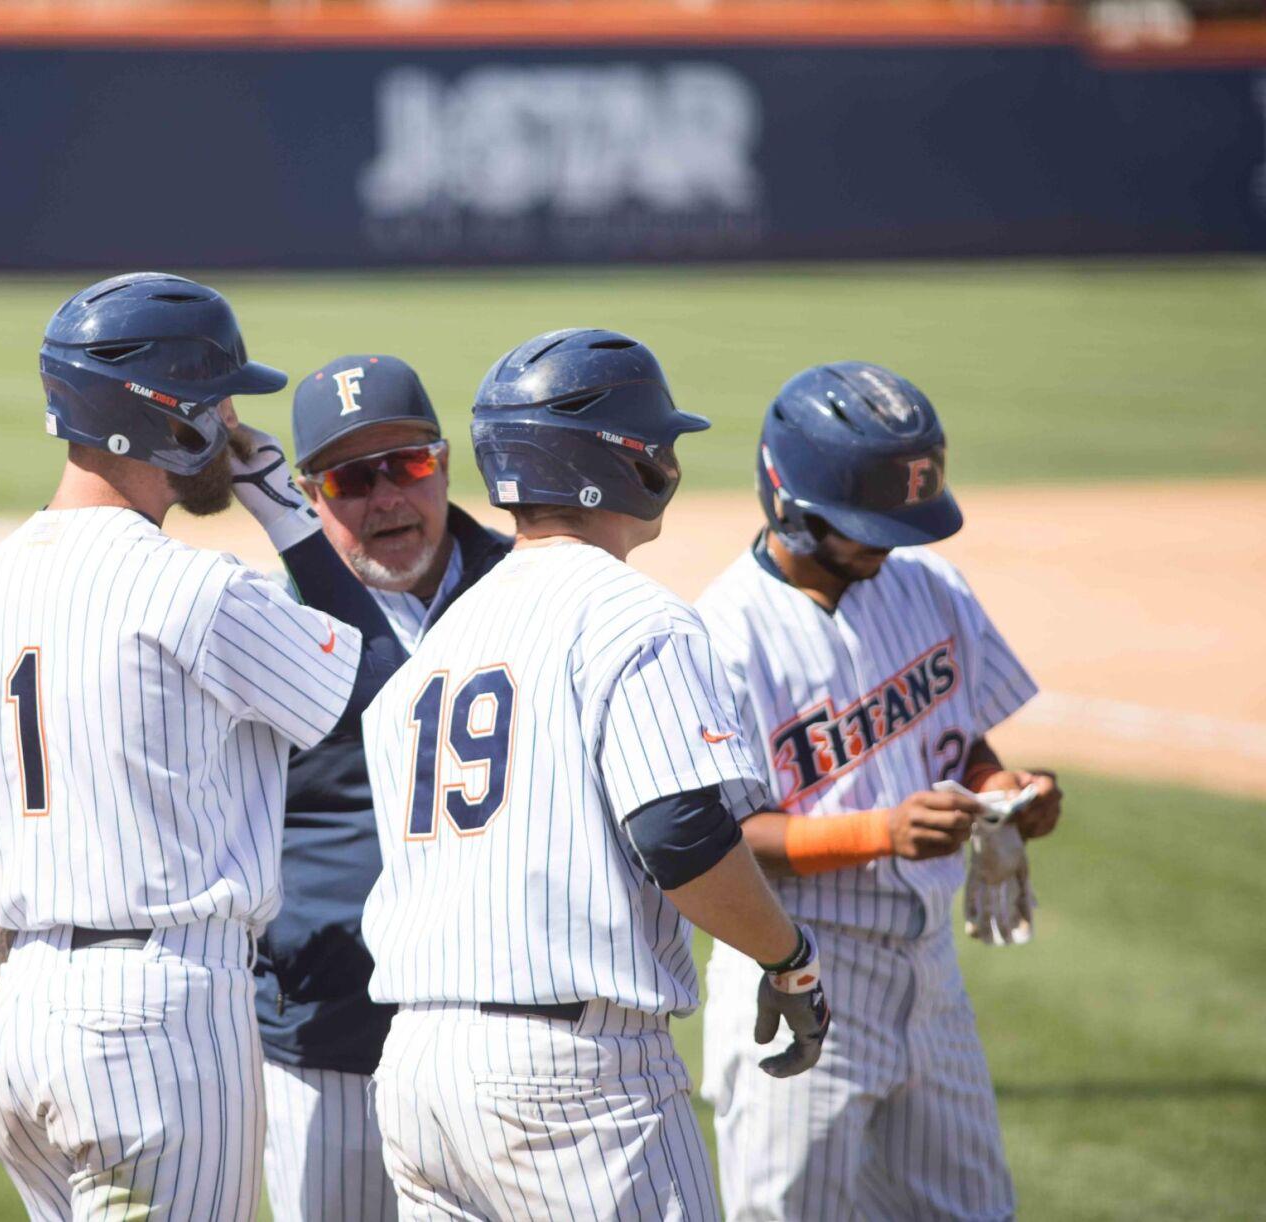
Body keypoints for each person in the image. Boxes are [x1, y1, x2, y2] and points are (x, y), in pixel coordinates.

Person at [0, 273, 402, 1221]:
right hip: (156, 1023)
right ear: (164, 417)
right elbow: (380, 688)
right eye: (217, 402)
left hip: (18, 1023)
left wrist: (6, 948)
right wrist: (285, 510)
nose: (232, 423)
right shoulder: (193, 592)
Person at [359, 328, 831, 1220]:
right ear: (620, 459)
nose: (669, 458)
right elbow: (681, 835)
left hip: (419, 1070)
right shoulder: (636, 618)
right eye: (657, 440)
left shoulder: (440, 641)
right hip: (572, 1084)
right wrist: (788, 959)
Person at [695, 361, 1063, 1222]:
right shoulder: (719, 636)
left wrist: (1003, 786)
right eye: (867, 525)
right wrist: (883, 833)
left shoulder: (931, 588)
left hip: (932, 973)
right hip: (800, 974)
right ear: (787, 497)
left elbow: (961, 735)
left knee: (971, 1213)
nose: (888, 542)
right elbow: (726, 836)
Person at [252, 354, 511, 1222]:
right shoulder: (263, 625)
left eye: (408, 464)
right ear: (306, 493)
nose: (387, 498)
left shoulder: (531, 592)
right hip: (330, 1041)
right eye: (351, 478)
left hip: (509, 1038)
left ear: (444, 461)